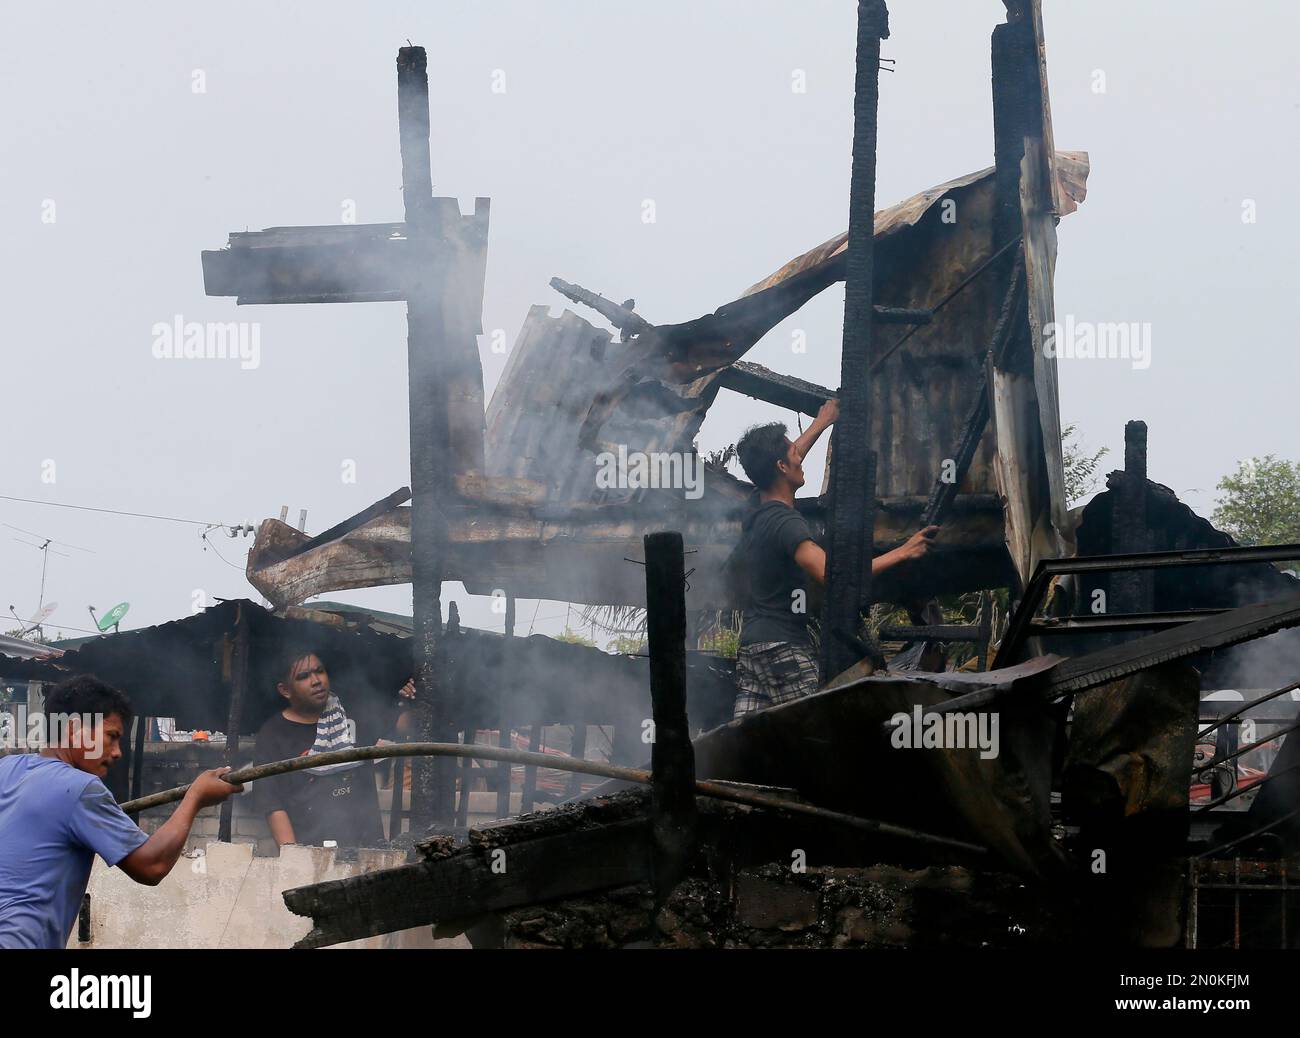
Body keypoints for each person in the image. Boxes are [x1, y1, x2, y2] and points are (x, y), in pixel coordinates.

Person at [0, 675, 242, 948]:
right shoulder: (81, 789)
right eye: (111, 736)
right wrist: (195, 797)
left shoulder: (7, 768)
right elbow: (152, 866)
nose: (117, 753)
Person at [732, 400, 938, 717]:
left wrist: (821, 422)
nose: (800, 457)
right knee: (822, 733)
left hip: (751, 650)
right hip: (782, 650)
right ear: (781, 468)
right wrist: (903, 552)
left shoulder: (756, 509)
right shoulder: (787, 524)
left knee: (746, 748)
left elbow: (778, 461)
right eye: (793, 455)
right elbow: (834, 576)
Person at [253, 648, 415, 849]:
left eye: (319, 671)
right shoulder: (273, 734)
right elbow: (272, 804)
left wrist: (414, 701)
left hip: (368, 847)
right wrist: (293, 855)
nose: (316, 681)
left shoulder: (354, 713)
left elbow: (403, 725)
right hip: (312, 852)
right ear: (285, 690)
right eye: (303, 676)